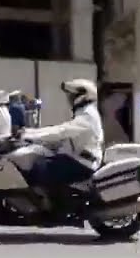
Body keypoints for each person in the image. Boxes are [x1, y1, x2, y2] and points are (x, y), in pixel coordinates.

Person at [20, 79, 103, 212]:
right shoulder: (83, 112)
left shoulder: (87, 115)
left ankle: (52, 209)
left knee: (38, 169)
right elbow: (64, 130)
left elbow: (62, 131)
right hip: (78, 157)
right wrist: (29, 133)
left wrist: (29, 135)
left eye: (71, 95)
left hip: (81, 162)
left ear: (81, 96)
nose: (68, 99)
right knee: (41, 159)